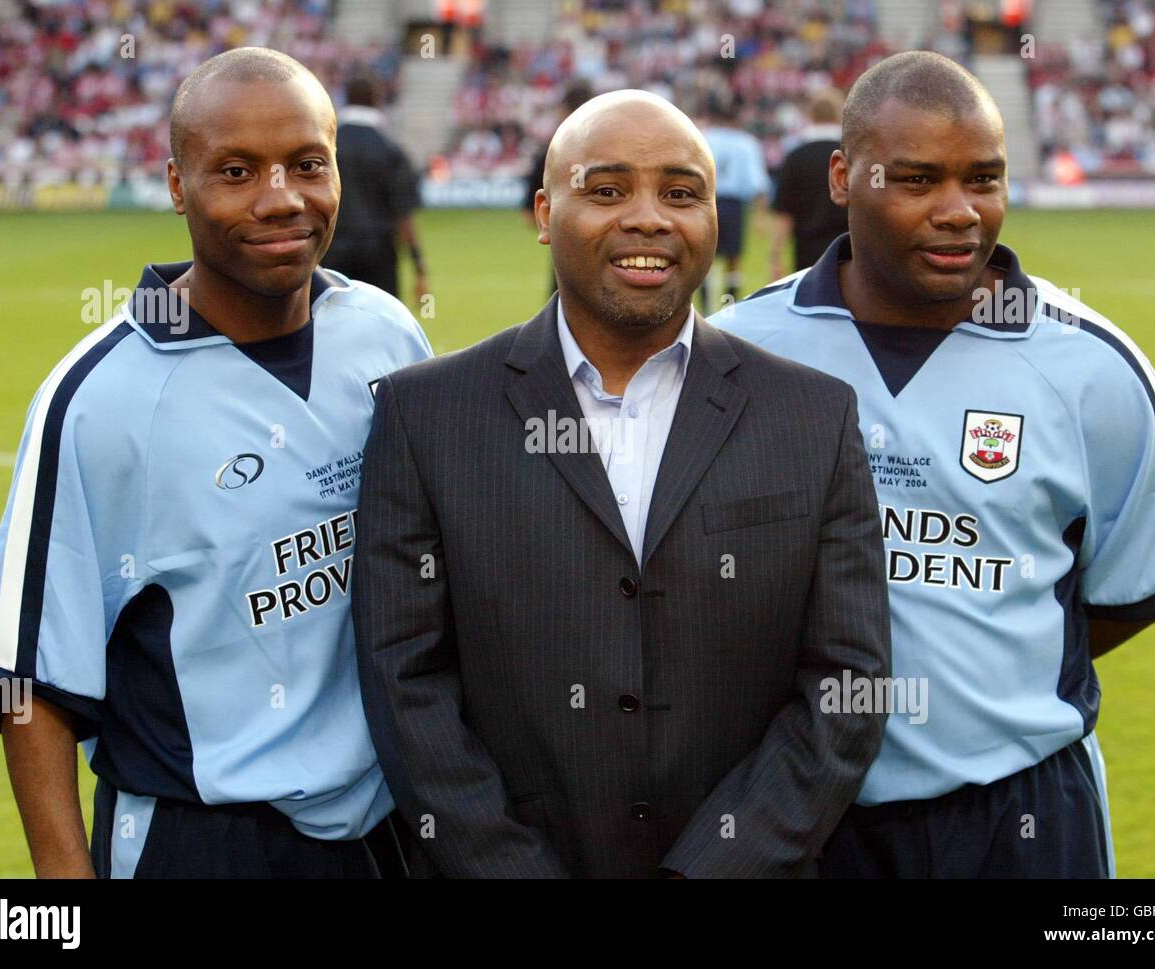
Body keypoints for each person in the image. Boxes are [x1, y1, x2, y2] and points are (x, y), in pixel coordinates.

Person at [352, 90, 890, 878]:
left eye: (681, 193)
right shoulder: (424, 413)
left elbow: (849, 684)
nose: (648, 219)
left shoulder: (813, 415)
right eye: (606, 191)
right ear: (544, 210)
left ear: (715, 213)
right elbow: (405, 683)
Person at [0, 48, 432, 878]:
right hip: (203, 838)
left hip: (386, 826)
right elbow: (24, 680)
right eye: (237, 171)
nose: (280, 198)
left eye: (306, 164)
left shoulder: (384, 334)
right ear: (178, 186)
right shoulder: (99, 397)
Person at [715, 51, 1155, 878]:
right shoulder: (741, 350)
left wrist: (989, 674)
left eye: (984, 179)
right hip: (801, 809)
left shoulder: (1095, 370)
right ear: (842, 177)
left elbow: (1127, 596)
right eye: (916, 180)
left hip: (1022, 814)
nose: (959, 212)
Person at [322, 71, 427, 301]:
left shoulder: (325, 149)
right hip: (379, 252)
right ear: (377, 99)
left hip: (331, 249)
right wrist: (419, 268)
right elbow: (403, 215)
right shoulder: (391, 150)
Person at [521, 80, 594, 296]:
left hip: (565, 260)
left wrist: (564, 232)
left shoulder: (550, 154)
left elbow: (526, 215)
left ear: (564, 110)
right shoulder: (617, 154)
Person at [699, 93, 770, 310]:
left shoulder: (704, 137)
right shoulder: (746, 143)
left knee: (705, 258)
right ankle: (728, 307)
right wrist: (760, 216)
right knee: (733, 259)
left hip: (706, 202)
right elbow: (757, 183)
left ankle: (705, 310)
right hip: (734, 206)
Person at [770, 88, 849, 274]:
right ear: (840, 115)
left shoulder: (796, 156)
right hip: (847, 248)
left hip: (806, 250)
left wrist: (775, 257)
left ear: (810, 115)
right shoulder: (851, 155)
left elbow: (784, 214)